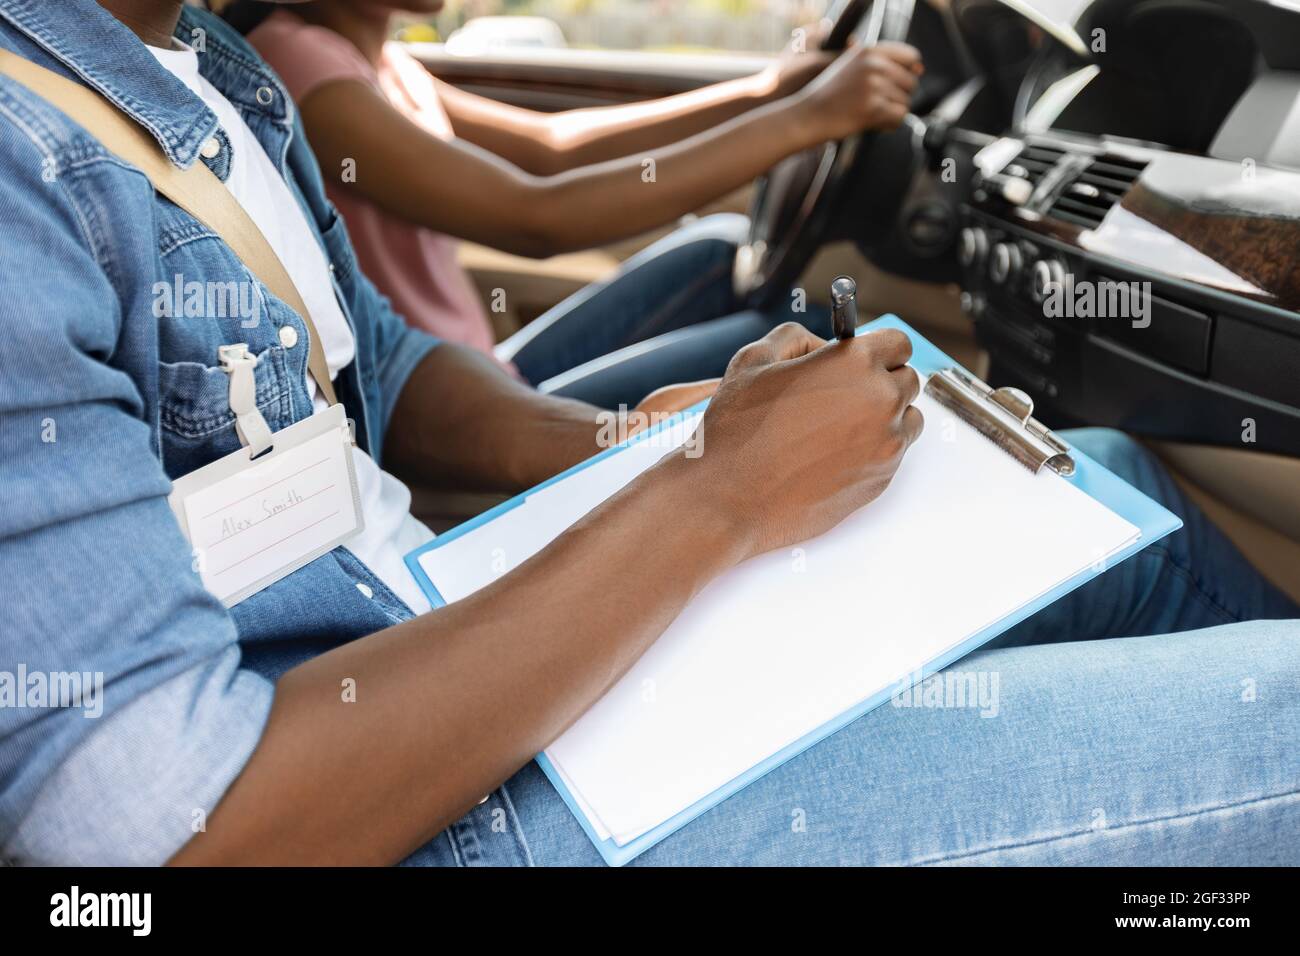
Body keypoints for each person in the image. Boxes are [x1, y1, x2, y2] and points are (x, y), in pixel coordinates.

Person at [0, 0, 1296, 868]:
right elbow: (172, 834)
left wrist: (624, 449)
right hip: (409, 804)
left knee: (1112, 496)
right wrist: (708, 494)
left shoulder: (206, 74)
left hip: (441, 616)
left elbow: (376, 377)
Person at [231, 0, 925, 408]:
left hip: (481, 365)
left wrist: (770, 92)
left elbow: (550, 148)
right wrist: (806, 120)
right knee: (795, 333)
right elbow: (534, 216)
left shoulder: (378, 61)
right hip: (440, 407)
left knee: (718, 252)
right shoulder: (298, 68)